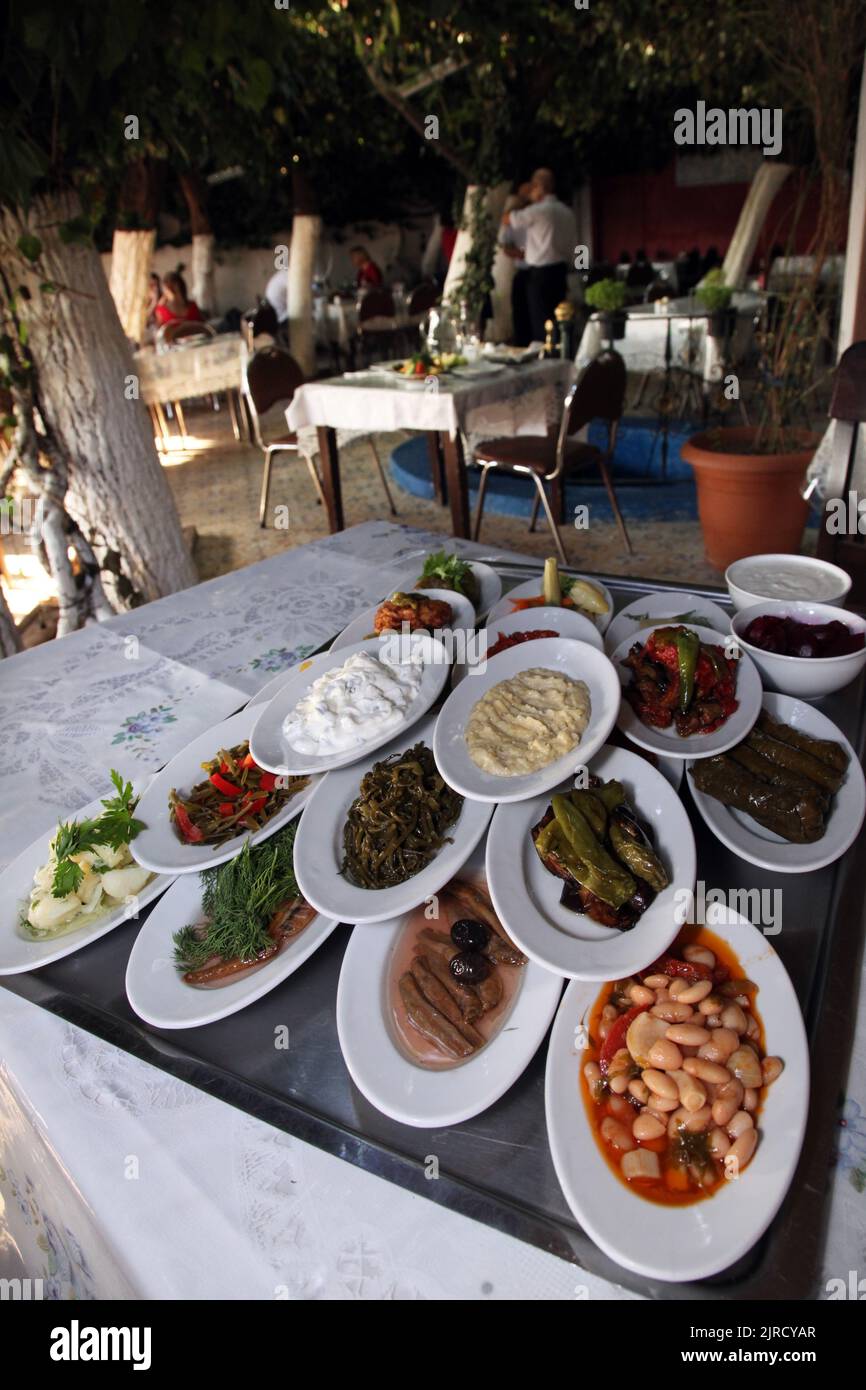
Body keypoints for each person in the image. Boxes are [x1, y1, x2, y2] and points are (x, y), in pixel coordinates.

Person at [502, 168, 576, 344]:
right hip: (560, 271)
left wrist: (523, 197)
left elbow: (506, 218)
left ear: (539, 187)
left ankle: (544, 362)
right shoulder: (567, 212)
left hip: (540, 274)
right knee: (560, 321)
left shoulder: (538, 211)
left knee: (541, 326)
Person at [499, 181, 533, 346]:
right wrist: (524, 254)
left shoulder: (539, 213)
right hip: (523, 270)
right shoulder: (514, 217)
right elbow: (506, 246)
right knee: (520, 318)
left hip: (540, 269)